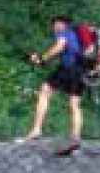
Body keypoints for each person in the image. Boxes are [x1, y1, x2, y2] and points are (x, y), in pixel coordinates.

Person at [22, 15, 84, 153]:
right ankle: (75, 137)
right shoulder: (78, 36)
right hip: (81, 71)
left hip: (67, 69)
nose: (54, 27)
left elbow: (59, 47)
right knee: (74, 103)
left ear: (62, 24)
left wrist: (42, 59)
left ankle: (36, 130)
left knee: (44, 91)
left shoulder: (64, 33)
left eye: (56, 24)